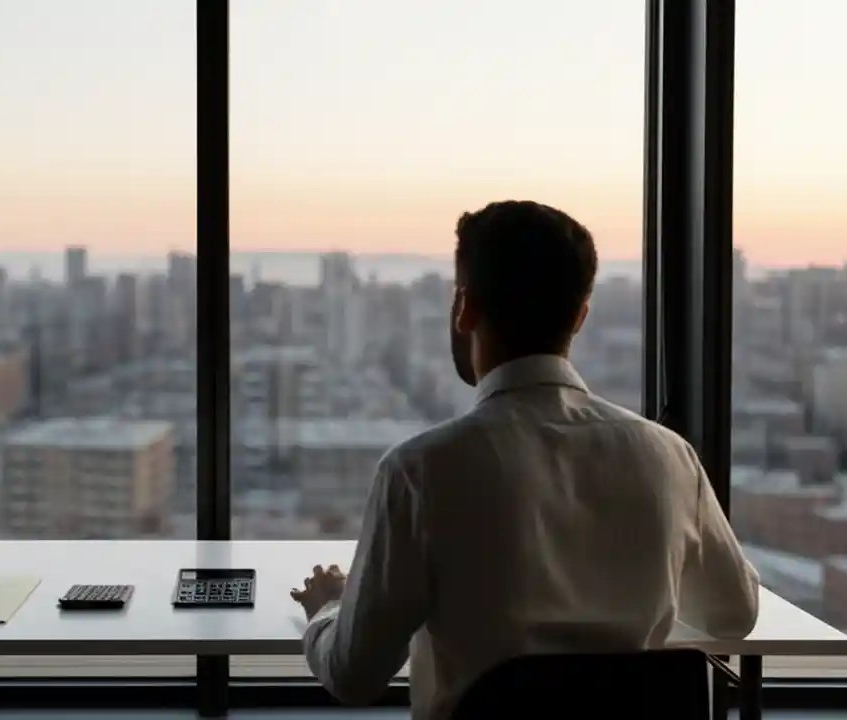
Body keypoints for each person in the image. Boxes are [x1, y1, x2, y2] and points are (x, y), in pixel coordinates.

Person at [290, 200, 760, 718]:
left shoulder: (420, 472)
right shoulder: (669, 458)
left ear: (464, 307)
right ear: (580, 317)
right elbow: (734, 614)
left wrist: (329, 607)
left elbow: (353, 676)